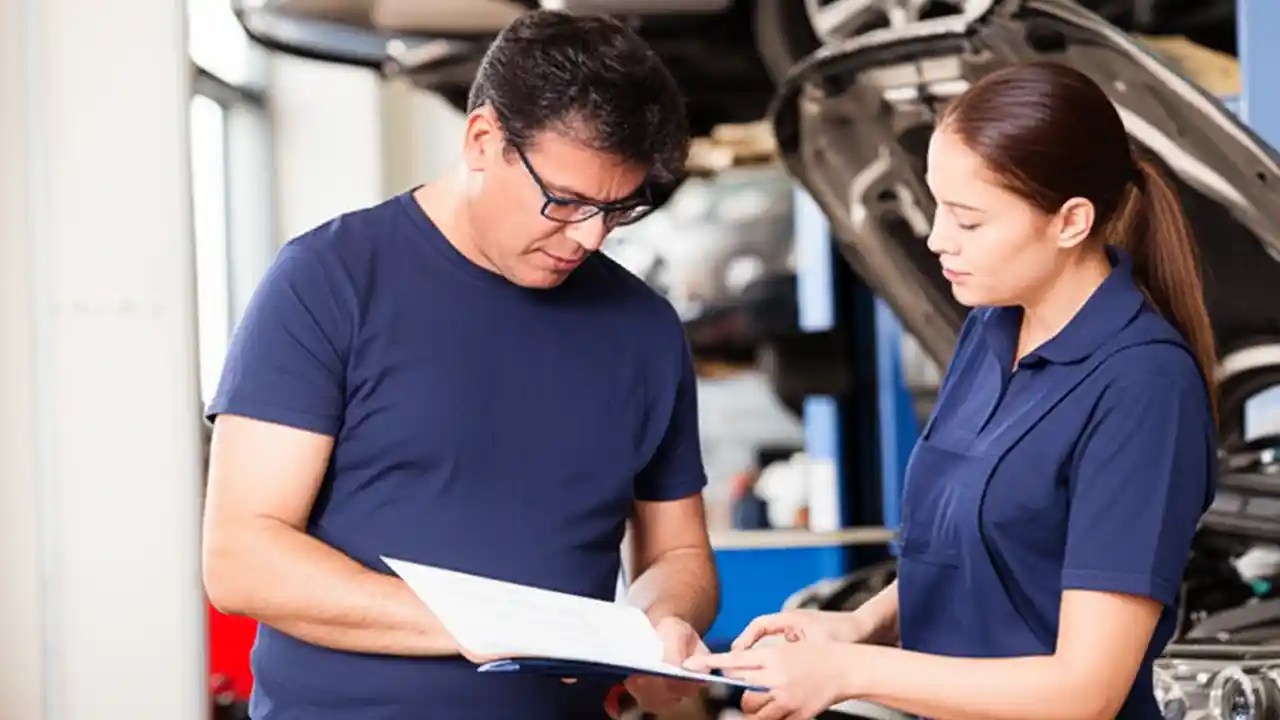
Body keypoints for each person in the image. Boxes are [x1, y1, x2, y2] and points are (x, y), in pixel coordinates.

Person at [201, 10, 720, 720]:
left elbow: (680, 553)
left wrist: (660, 626)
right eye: (565, 202)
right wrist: (494, 627)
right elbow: (243, 559)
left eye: (617, 210)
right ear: (483, 138)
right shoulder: (330, 282)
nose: (591, 237)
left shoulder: (645, 328)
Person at [686, 61, 1218, 720]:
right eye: (937, 204)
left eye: (968, 220)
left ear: (1071, 221)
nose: (937, 239)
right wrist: (858, 627)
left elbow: (1086, 690)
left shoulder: (1143, 386)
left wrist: (850, 669)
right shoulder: (990, 329)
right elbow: (974, 554)